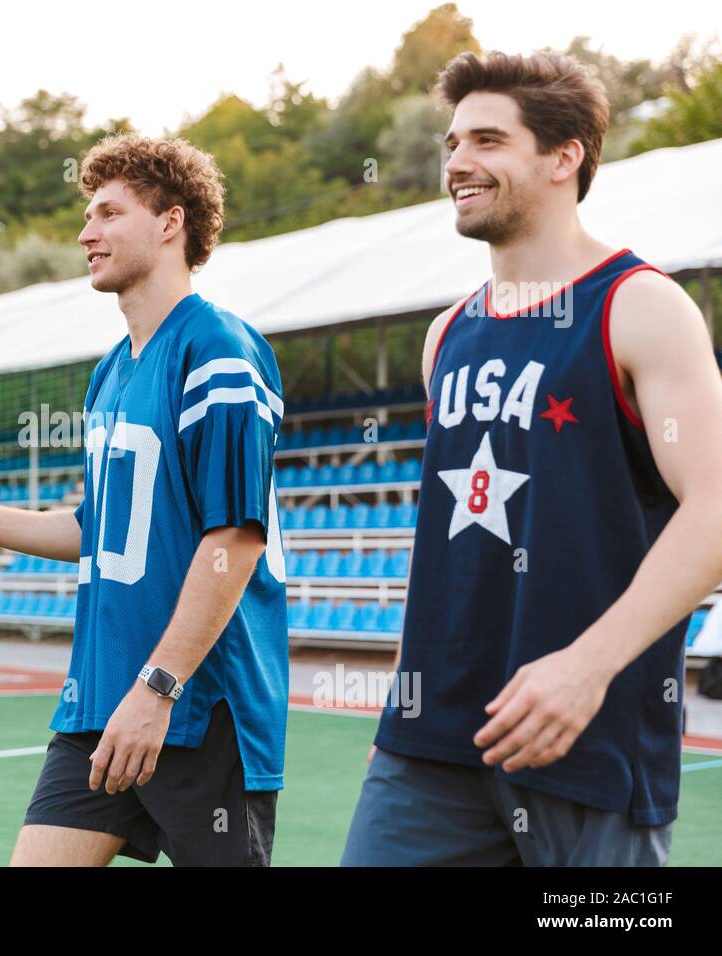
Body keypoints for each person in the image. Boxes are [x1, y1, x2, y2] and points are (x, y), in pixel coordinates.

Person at [341, 51, 722, 866]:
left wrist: (585, 669)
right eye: (450, 144)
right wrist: (406, 707)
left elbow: (716, 511)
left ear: (563, 156)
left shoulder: (639, 305)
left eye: (486, 140)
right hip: (433, 744)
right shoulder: (447, 334)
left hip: (586, 735)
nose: (456, 164)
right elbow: (440, 537)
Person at [0, 133, 288, 866]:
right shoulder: (109, 375)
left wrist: (158, 687)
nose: (84, 233)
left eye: (107, 213)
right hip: (100, 699)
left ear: (171, 223)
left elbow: (235, 541)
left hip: (198, 706)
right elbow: (97, 531)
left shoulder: (217, 347)